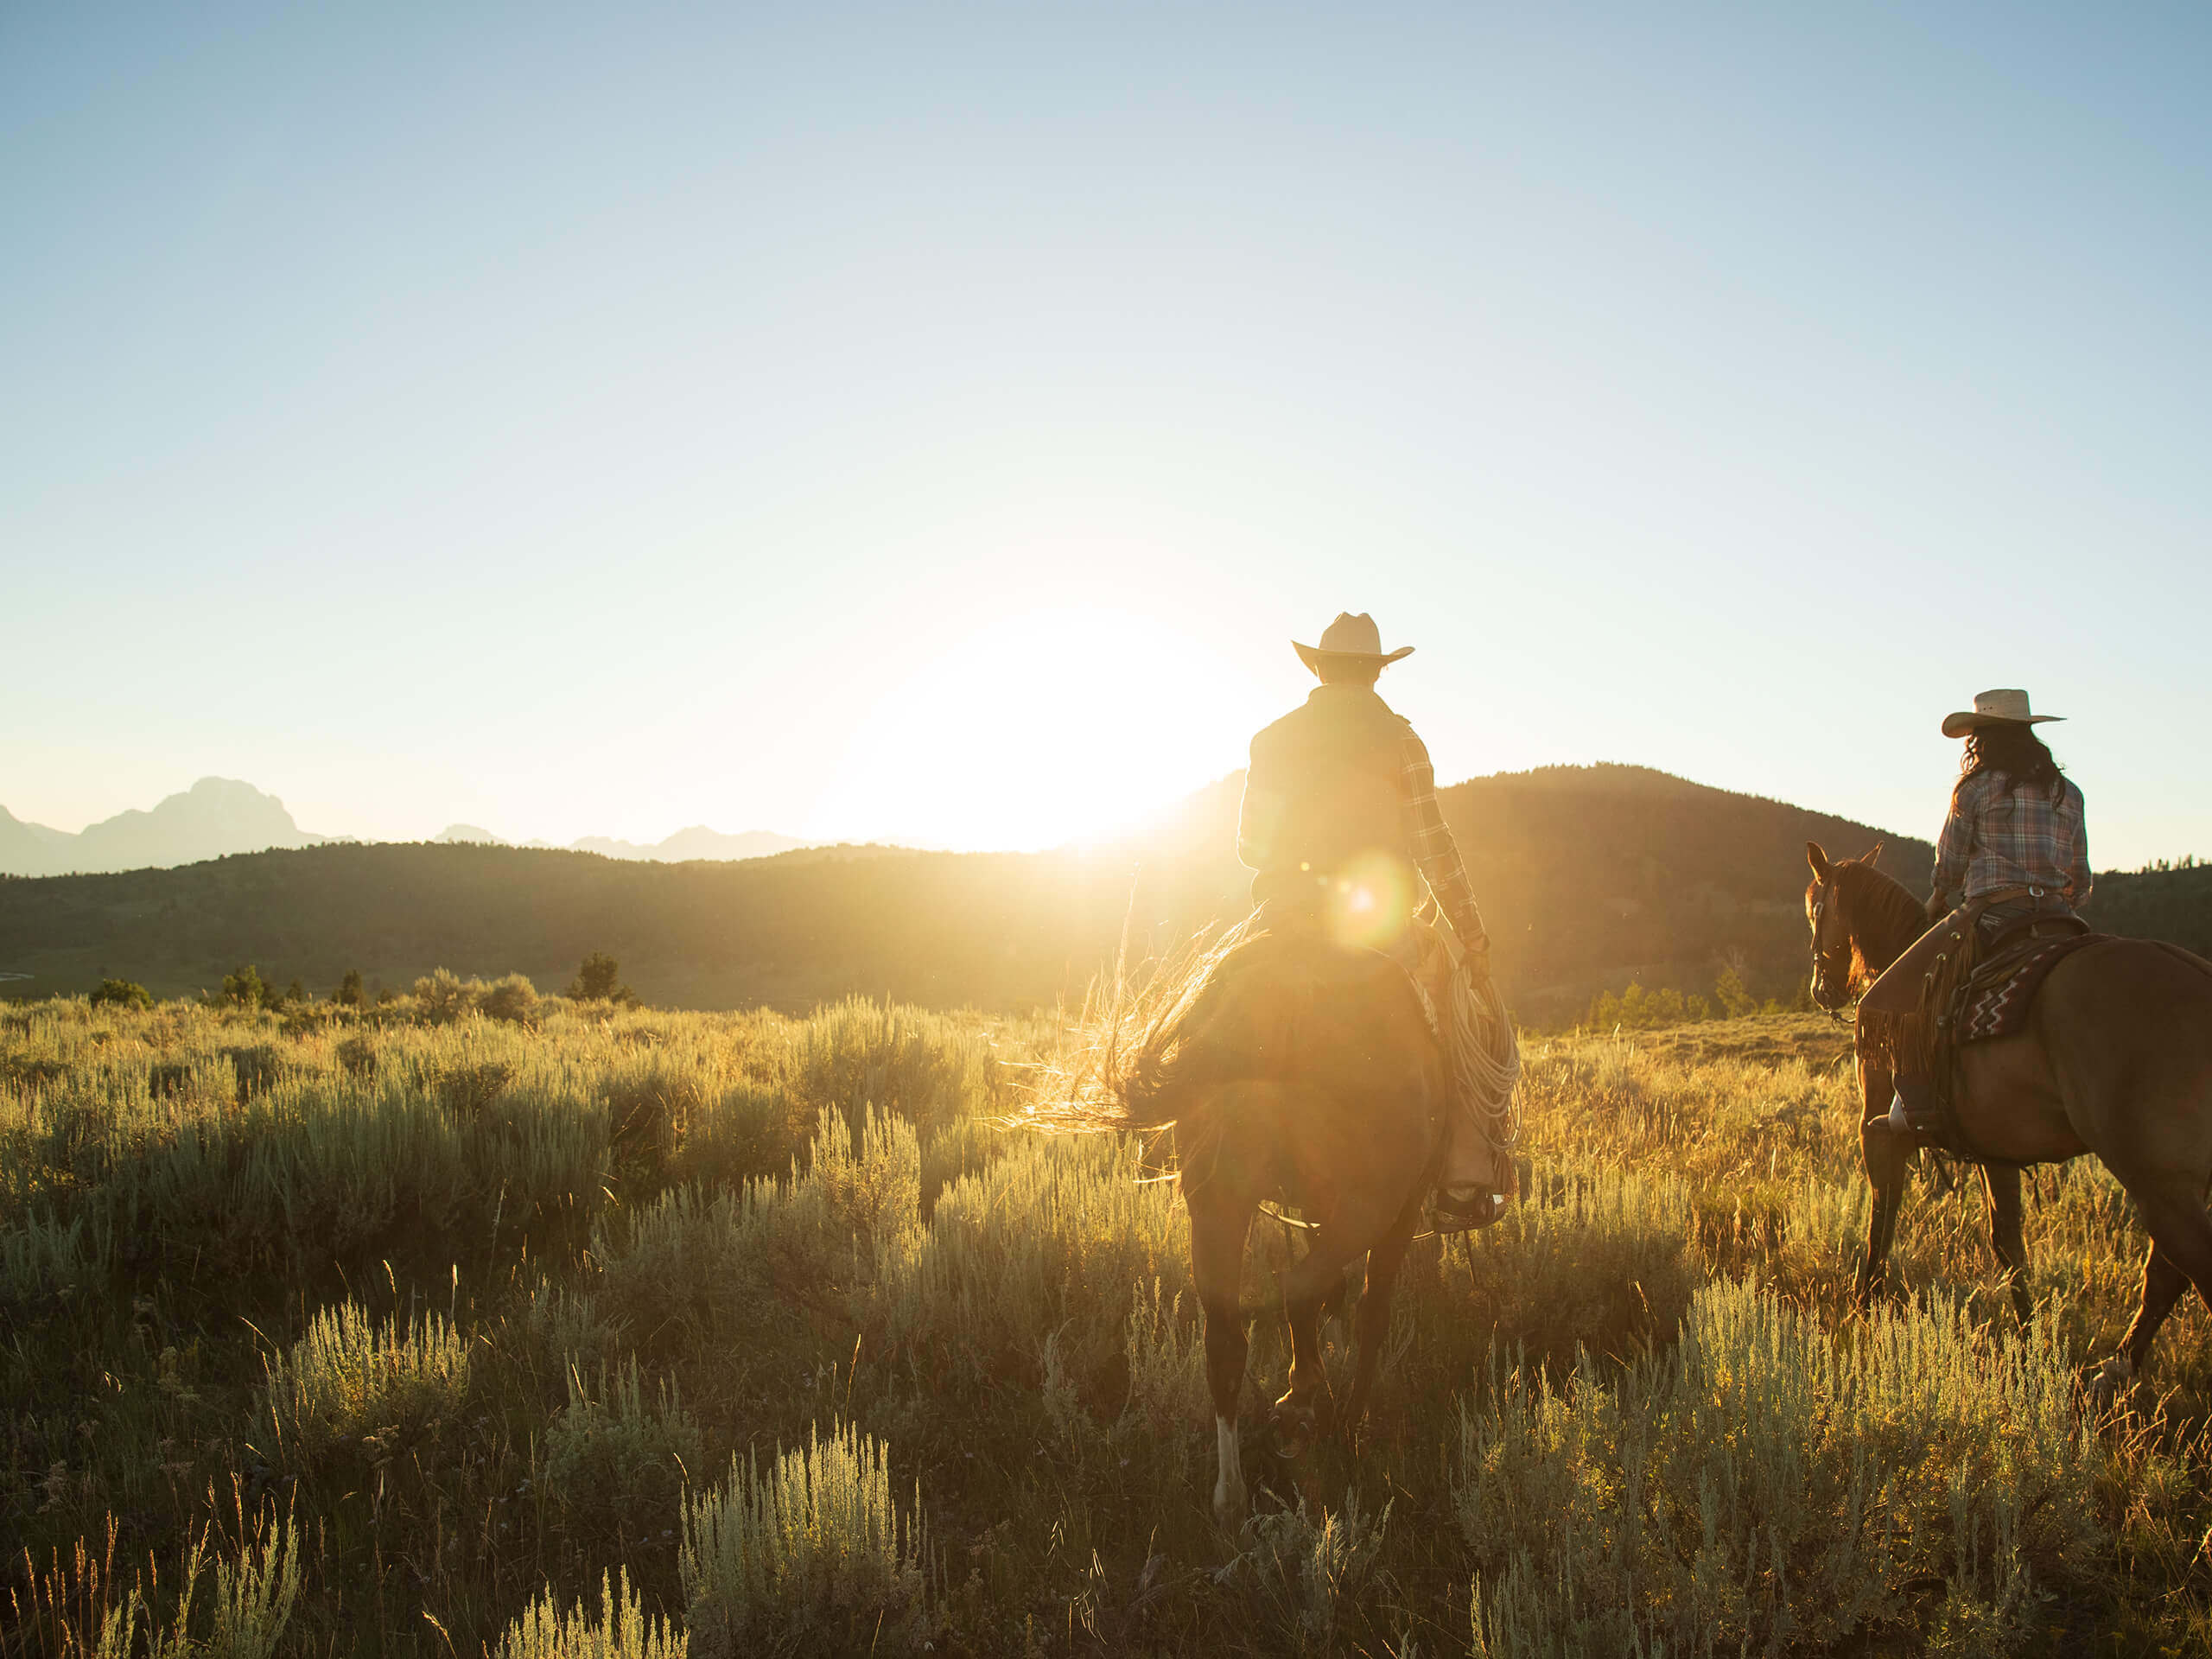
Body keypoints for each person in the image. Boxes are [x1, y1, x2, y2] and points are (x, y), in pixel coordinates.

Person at [1236, 611, 1506, 1229]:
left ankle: (1183, 1143)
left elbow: (1250, 848)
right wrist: (1473, 938)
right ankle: (1463, 1182)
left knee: (1219, 1003)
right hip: (1375, 926)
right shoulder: (1402, 741)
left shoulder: (1271, 740)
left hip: (1282, 915)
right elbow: (1434, 847)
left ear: (1320, 668)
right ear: (1377, 675)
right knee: (1460, 1015)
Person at [1867, 688, 2092, 1134]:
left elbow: (1949, 861)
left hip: (1991, 916)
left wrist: (1936, 900)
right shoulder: (2067, 793)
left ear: (1981, 739)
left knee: (1890, 1000)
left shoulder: (1974, 789)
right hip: (2060, 919)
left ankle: (1919, 1110)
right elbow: (2079, 877)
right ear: (2029, 733)